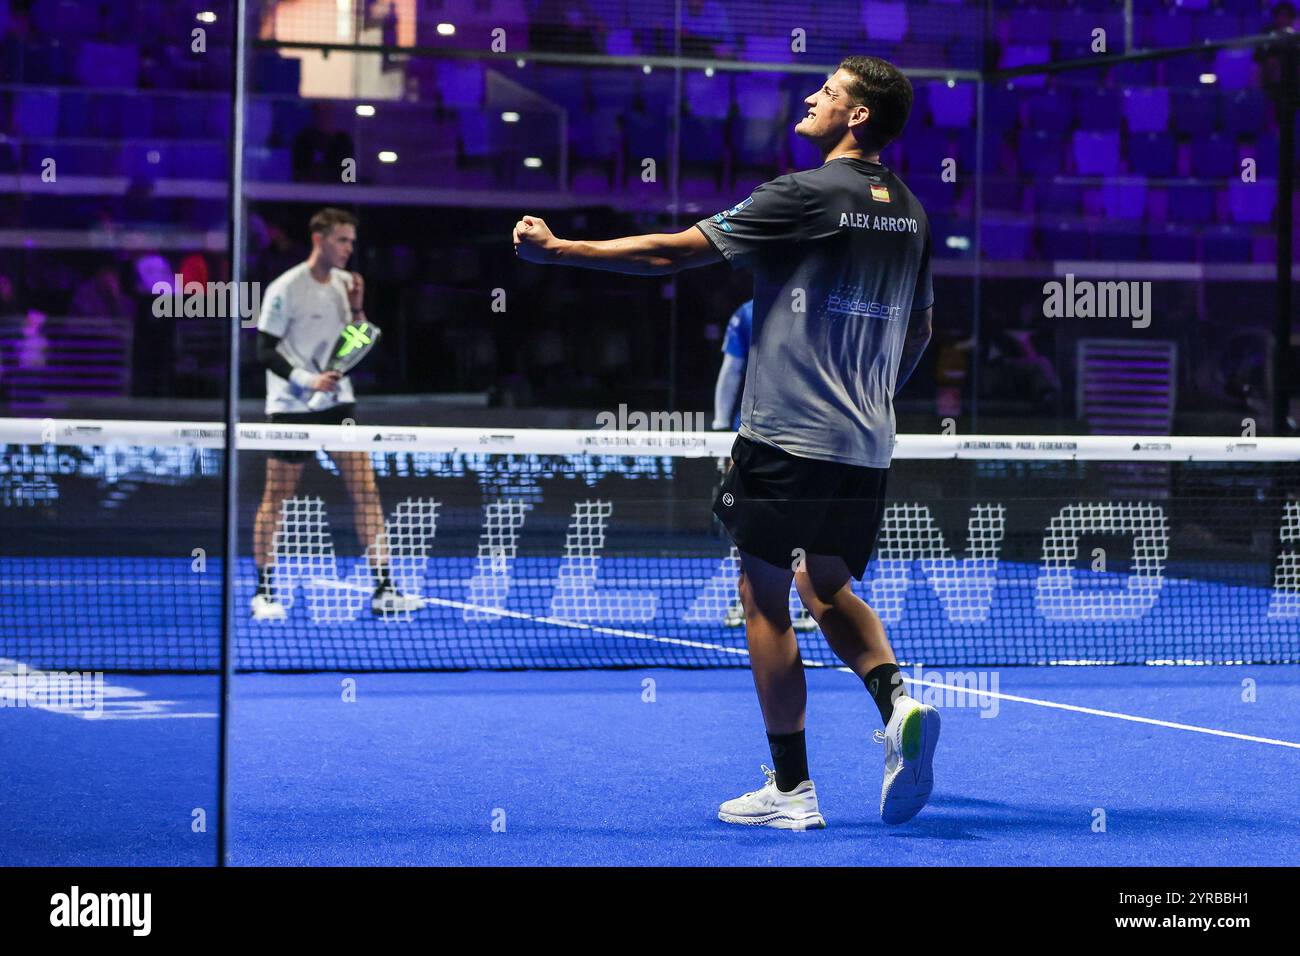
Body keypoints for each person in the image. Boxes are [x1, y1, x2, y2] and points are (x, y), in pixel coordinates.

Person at [514, 56, 938, 828]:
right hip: (867, 443)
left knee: (764, 597)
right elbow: (920, 329)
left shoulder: (805, 194)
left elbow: (673, 251)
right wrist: (870, 397)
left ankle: (792, 791)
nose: (812, 98)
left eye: (829, 92)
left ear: (858, 117)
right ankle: (899, 701)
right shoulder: (909, 211)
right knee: (830, 588)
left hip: (784, 438)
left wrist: (562, 253)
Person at [250, 207, 424, 621]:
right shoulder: (285, 288)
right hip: (292, 407)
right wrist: (307, 381)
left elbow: (359, 340)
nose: (349, 249)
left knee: (366, 492)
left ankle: (384, 589)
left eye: (351, 241)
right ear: (319, 239)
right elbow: (264, 351)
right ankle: (265, 592)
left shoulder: (348, 285)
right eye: (342, 240)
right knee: (277, 498)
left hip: (338, 405)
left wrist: (359, 310)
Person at [713, 298, 817, 632]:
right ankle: (752, 596)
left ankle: (805, 598)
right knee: (763, 519)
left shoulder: (815, 307)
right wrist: (718, 430)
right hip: (761, 435)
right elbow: (731, 371)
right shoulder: (746, 313)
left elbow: (731, 371)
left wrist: (718, 429)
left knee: (780, 519)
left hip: (800, 435)